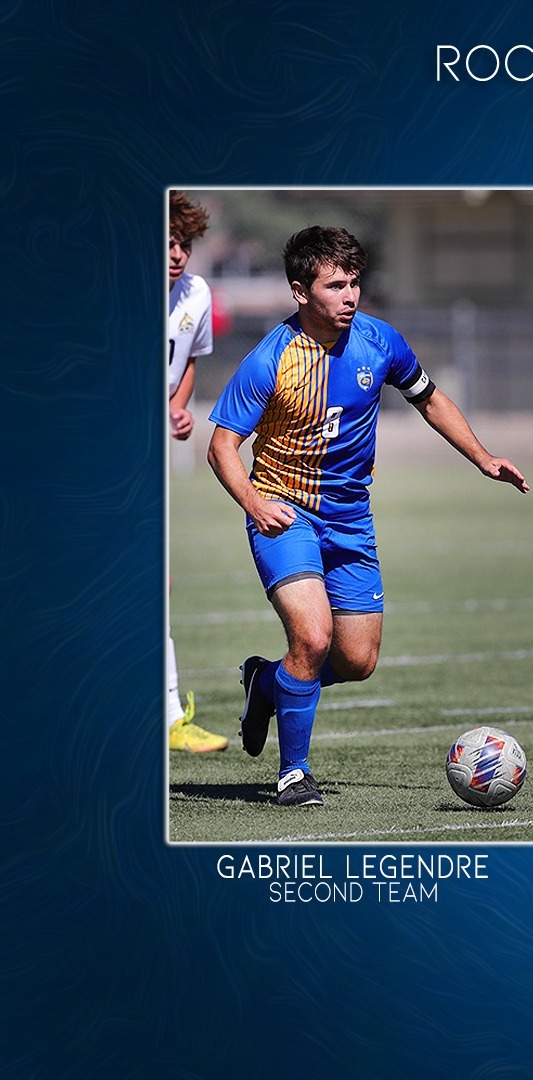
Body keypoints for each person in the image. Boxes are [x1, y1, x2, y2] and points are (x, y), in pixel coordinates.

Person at [208, 226, 527, 807]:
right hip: (285, 513)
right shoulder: (270, 361)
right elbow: (221, 447)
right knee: (312, 634)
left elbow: (428, 397)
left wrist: (482, 457)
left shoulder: (381, 342)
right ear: (301, 292)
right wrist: (255, 504)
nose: (350, 295)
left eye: (355, 282)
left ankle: (268, 684)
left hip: (351, 520)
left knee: (356, 660)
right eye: (335, 285)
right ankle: (294, 773)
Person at [165, 192, 227, 752]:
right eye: (166, 242)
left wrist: (178, 408)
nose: (178, 253)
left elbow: (185, 364)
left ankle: (167, 720)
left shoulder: (196, 294)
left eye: (184, 243)